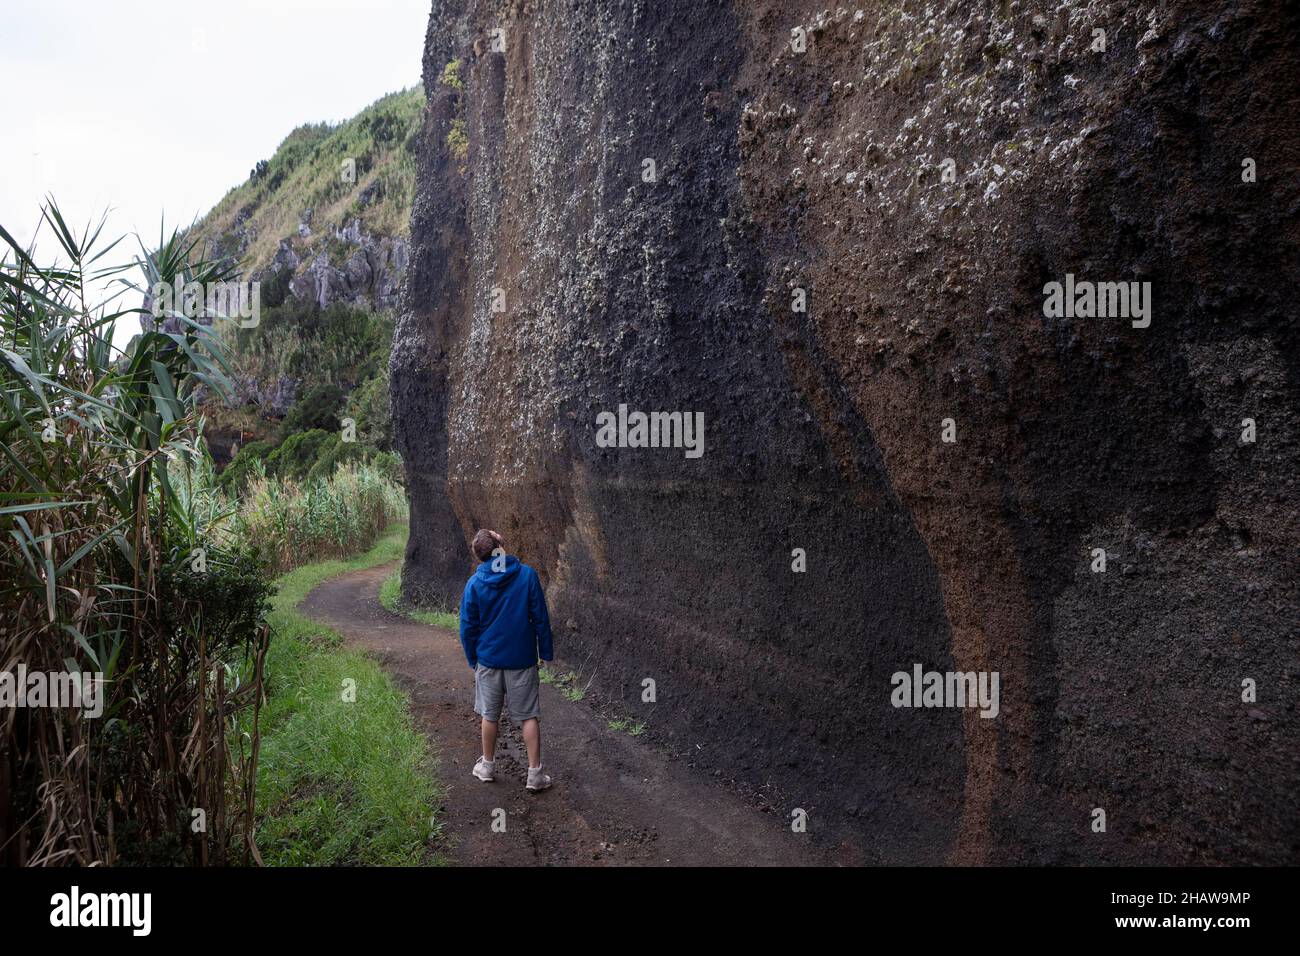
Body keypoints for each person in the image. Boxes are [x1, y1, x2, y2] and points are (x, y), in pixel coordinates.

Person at [458, 528, 555, 791]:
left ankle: (487, 766)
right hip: (521, 660)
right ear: (500, 544)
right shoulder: (526, 576)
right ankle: (535, 774)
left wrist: (473, 660)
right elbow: (541, 619)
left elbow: (467, 627)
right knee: (528, 716)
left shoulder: (475, 584)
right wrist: (545, 653)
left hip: (488, 661)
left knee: (489, 715)